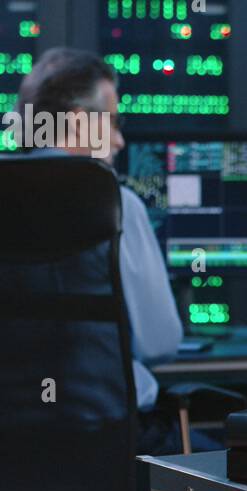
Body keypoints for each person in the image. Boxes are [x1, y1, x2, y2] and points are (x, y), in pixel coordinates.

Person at [14, 48, 211, 455]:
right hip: (111, 446)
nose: (120, 140)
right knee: (245, 474)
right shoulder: (114, 204)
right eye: (114, 122)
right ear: (77, 122)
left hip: (11, 456)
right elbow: (160, 343)